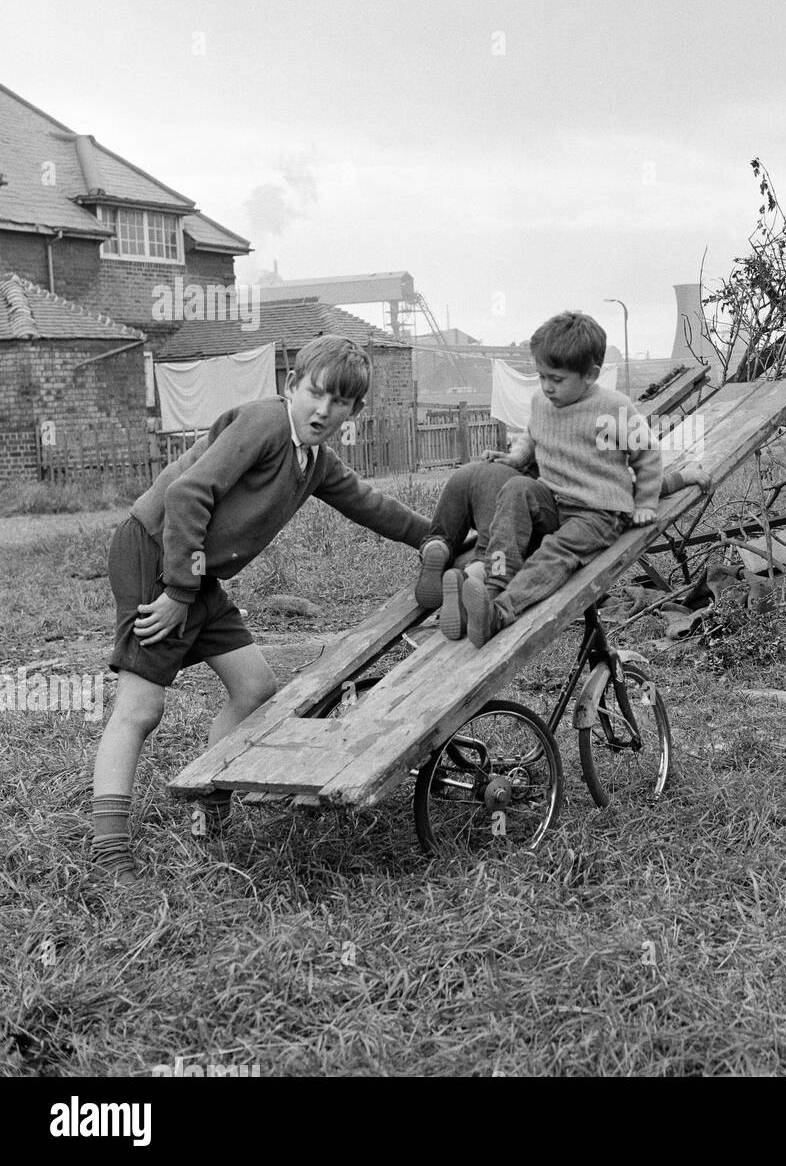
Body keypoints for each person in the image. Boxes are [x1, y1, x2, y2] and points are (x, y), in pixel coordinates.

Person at [92, 335, 433, 882]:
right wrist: (178, 593)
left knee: (254, 689)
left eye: (339, 402)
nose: (324, 410)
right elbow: (186, 495)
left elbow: (369, 505)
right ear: (291, 385)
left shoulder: (314, 459)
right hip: (156, 553)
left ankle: (211, 802)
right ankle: (108, 853)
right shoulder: (266, 424)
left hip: (197, 574)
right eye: (316, 394)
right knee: (141, 707)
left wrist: (435, 539)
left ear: (354, 410)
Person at [416, 310, 704, 647]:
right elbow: (532, 435)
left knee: (553, 553)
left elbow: (648, 456)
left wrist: (644, 503)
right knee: (515, 489)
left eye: (556, 378)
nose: (547, 387)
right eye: (542, 376)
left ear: (590, 375)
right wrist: (516, 458)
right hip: (553, 502)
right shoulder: (541, 401)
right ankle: (489, 588)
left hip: (597, 513)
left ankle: (500, 612)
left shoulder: (612, 407)